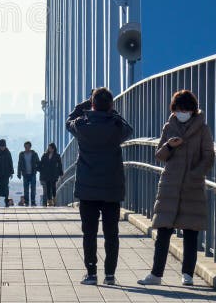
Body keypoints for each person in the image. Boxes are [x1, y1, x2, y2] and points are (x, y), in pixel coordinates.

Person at [138, 90, 214, 287]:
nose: (181, 113)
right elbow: (160, 156)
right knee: (163, 231)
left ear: (192, 110)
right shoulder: (169, 126)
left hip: (192, 186)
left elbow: (208, 156)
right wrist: (170, 146)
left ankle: (187, 274)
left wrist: (195, 174)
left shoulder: (202, 129)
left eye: (184, 110)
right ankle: (156, 274)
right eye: (177, 109)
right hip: (170, 185)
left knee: (191, 232)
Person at [66, 87, 133, 286]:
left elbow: (68, 121)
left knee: (89, 233)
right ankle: (110, 275)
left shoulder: (82, 126)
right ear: (111, 106)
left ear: (92, 104)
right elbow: (128, 128)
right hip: (112, 188)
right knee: (111, 233)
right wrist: (112, 113)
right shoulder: (116, 126)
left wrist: (83, 106)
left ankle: (91, 273)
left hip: (88, 188)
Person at [0, 139, 14, 207]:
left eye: (3, 146)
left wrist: (11, 172)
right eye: (1, 146)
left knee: (6, 188)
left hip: (6, 174)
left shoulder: (8, 152)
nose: (2, 147)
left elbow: (10, 162)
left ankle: (6, 201)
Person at [17, 141, 40, 206]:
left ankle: (33, 201)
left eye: (27, 146)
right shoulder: (21, 154)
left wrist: (37, 169)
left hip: (32, 173)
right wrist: (19, 173)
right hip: (25, 174)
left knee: (33, 189)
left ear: (30, 147)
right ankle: (26, 202)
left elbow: (38, 162)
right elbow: (19, 164)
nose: (26, 148)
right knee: (26, 189)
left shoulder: (34, 154)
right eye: (25, 147)